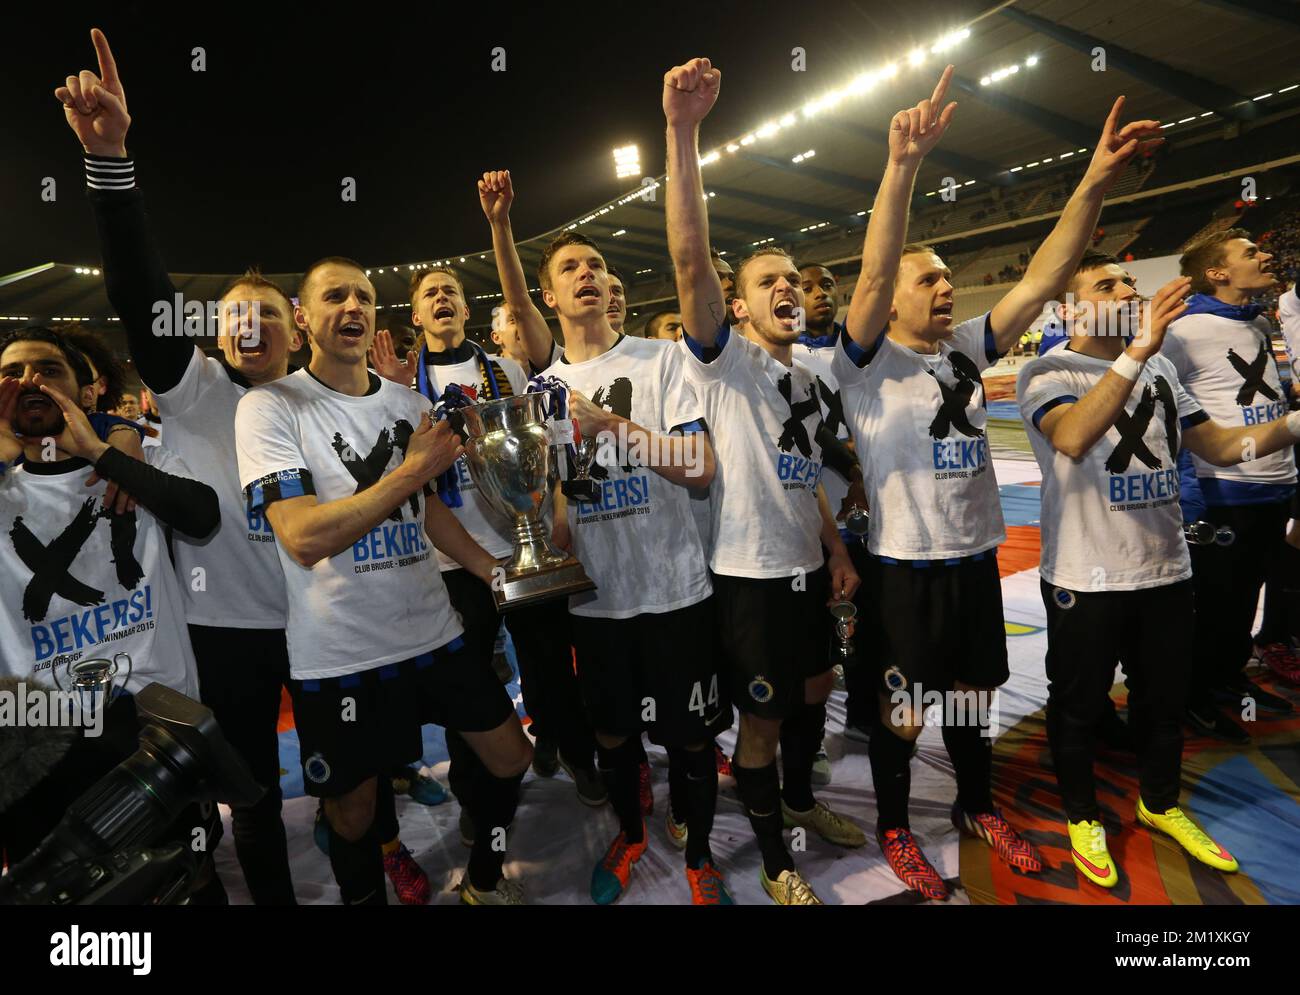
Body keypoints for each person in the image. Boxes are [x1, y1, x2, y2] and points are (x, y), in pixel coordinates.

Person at [833, 81, 1162, 899]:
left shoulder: (968, 349)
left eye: (950, 276)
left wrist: (1092, 182)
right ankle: (897, 826)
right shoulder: (864, 360)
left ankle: (977, 805)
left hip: (974, 558)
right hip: (904, 568)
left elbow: (1046, 275)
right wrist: (902, 166)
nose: (946, 287)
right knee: (904, 714)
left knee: (974, 696)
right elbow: (875, 273)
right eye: (929, 279)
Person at [55, 28, 301, 905]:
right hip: (228, 634)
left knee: (355, 782)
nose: (247, 327)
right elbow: (137, 292)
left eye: (266, 314)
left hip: (329, 626)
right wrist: (112, 163)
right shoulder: (195, 391)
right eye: (232, 315)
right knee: (242, 797)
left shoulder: (331, 403)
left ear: (295, 329)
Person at [236, 256, 533, 905]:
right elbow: (303, 535)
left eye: (364, 297)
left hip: (433, 631)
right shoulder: (269, 406)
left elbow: (425, 506)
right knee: (353, 812)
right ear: (302, 316)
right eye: (334, 296)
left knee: (511, 755)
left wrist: (491, 569)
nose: (352, 307)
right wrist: (407, 469)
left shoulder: (407, 402)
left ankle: (483, 878)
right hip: (341, 653)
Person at [1018, 252, 1300, 887]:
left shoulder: (1162, 367)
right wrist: (1134, 356)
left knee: (1163, 702)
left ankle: (1160, 802)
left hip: (1166, 567)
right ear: (1070, 308)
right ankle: (1082, 813)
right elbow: (1071, 437)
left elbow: (1223, 446)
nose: (1124, 289)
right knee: (1080, 704)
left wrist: (1296, 423)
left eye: (1127, 282)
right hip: (1086, 576)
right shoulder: (1048, 369)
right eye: (1105, 284)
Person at [664, 57, 864, 905]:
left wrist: (834, 550)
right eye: (765, 281)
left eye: (795, 277)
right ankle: (775, 859)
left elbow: (804, 472)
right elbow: (689, 256)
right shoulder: (725, 362)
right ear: (737, 307)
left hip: (808, 566)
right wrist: (682, 131)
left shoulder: (809, 379)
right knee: (761, 717)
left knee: (815, 690)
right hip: (747, 578)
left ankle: (799, 799)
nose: (787, 286)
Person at [530, 228, 731, 904]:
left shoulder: (664, 359)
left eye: (596, 263)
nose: (585, 273)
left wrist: (609, 423)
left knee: (691, 736)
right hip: (597, 599)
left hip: (676, 590)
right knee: (613, 730)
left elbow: (699, 467)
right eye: (569, 267)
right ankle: (631, 833)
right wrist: (548, 529)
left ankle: (700, 853)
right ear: (548, 293)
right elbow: (558, 496)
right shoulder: (539, 390)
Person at [0, 328, 221, 897]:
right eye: (11, 373)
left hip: (153, 723)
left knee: (182, 882)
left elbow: (201, 515)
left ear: (87, 394)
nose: (28, 382)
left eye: (47, 370)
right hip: (40, 736)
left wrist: (106, 451)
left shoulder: (140, 455)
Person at [1163, 229, 1297, 740]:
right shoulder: (1184, 331)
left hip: (1274, 482)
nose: (1264, 257)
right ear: (1217, 273)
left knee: (1245, 599)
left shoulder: (1259, 322)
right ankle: (1192, 695)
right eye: (1250, 254)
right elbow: (1164, 408)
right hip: (1220, 491)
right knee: (1213, 603)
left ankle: (1227, 678)